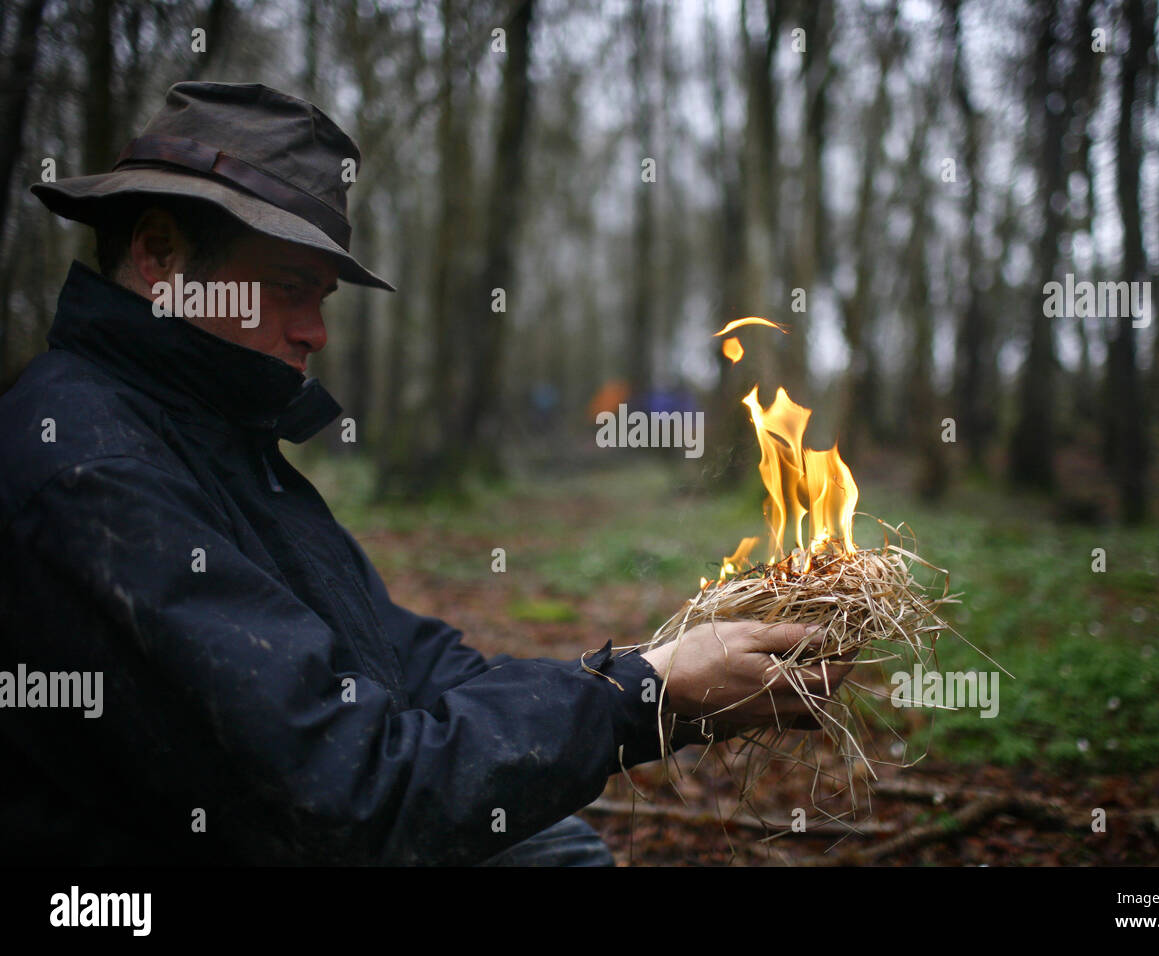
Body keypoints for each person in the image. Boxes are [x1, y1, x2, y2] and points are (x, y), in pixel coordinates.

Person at [0, 82, 844, 865]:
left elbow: (405, 664)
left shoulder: (211, 436)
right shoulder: (96, 474)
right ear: (158, 255)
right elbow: (342, 787)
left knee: (556, 848)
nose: (315, 333)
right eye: (290, 286)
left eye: (322, 297)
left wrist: (655, 677)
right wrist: (650, 696)